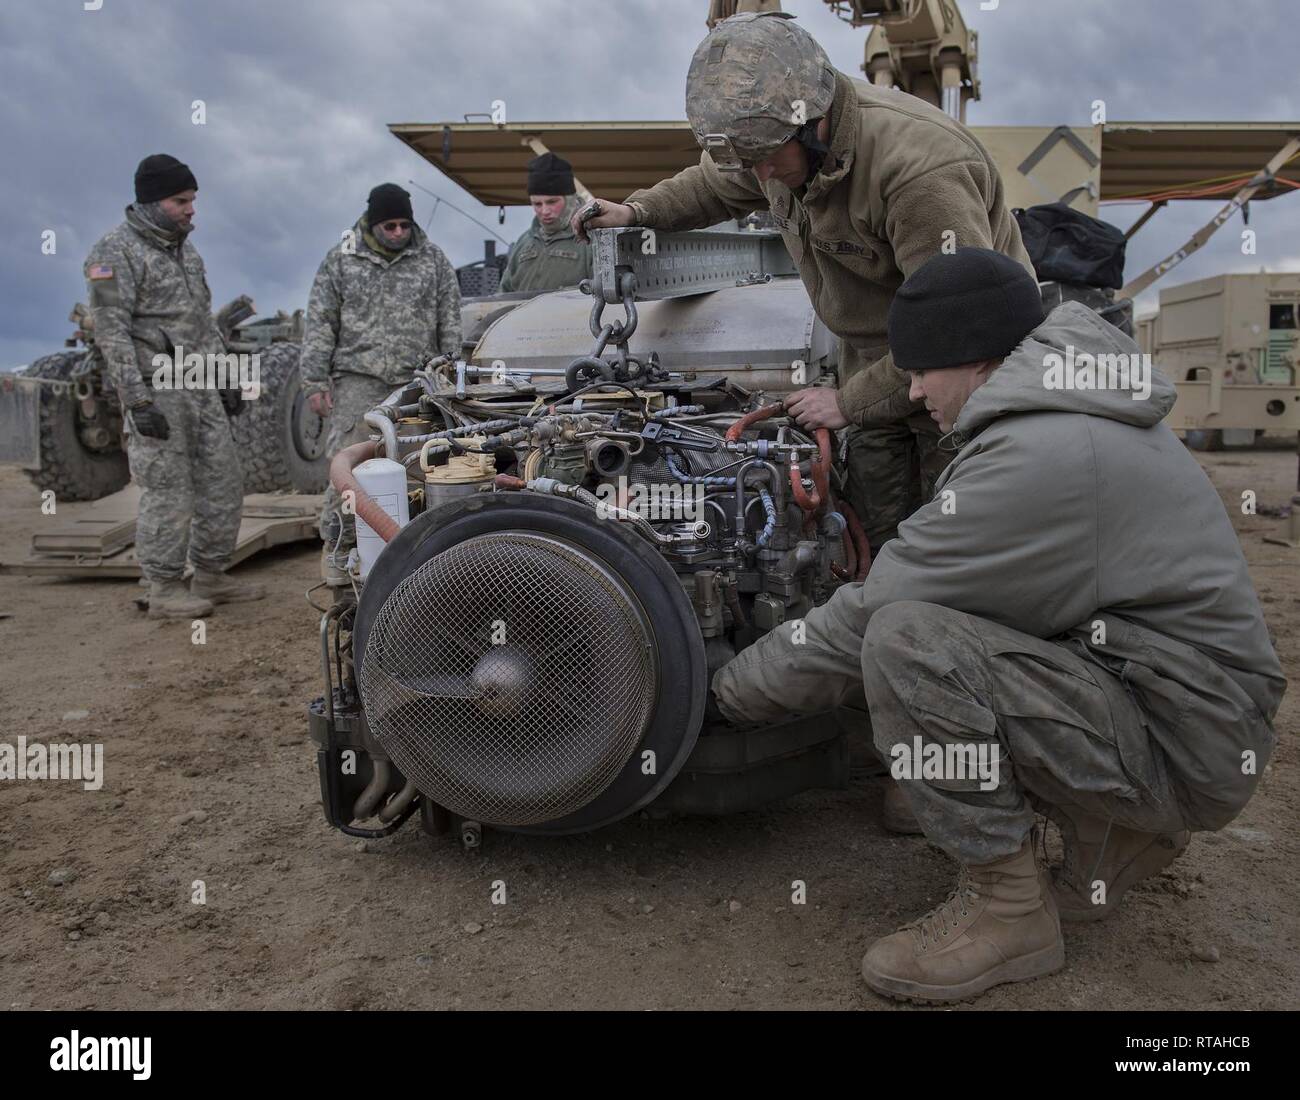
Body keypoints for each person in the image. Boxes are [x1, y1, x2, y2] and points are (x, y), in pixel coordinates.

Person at [712, 247, 1285, 1003]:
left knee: (907, 639)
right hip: (1182, 709)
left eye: (921, 370)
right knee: (945, 617)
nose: (913, 391)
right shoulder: (1066, 418)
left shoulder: (1043, 454)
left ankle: (1008, 912)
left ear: (976, 359)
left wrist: (722, 695)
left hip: (1185, 738)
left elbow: (869, 615)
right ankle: (1117, 832)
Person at [573, 10, 1032, 551]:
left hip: (961, 379)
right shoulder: (773, 146)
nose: (760, 176)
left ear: (815, 123)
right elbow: (713, 185)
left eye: (766, 160)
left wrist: (848, 402)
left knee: (959, 544)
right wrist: (635, 212)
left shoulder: (918, 173)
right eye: (750, 162)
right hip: (873, 363)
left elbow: (960, 327)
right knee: (878, 542)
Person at [84, 154, 262, 620]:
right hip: (156, 388)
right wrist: (137, 400)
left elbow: (202, 324)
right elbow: (110, 330)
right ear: (151, 201)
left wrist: (225, 378)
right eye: (180, 200)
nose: (190, 210)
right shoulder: (110, 254)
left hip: (199, 383)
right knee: (168, 489)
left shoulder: (187, 251)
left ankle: (210, 574)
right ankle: (162, 586)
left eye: (192, 200)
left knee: (223, 481)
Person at [299, 183, 462, 584]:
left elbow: (450, 319)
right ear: (373, 225)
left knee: (420, 466)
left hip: (417, 385)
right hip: (359, 380)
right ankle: (338, 554)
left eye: (404, 224)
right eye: (388, 225)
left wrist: (452, 373)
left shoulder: (432, 260)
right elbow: (320, 323)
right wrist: (314, 381)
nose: (397, 232)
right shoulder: (341, 260)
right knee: (346, 468)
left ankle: (413, 557)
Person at [498, 153, 592, 292]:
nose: (545, 210)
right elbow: (504, 293)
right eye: (537, 204)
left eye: (552, 202)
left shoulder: (591, 240)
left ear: (570, 199)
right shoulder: (524, 243)